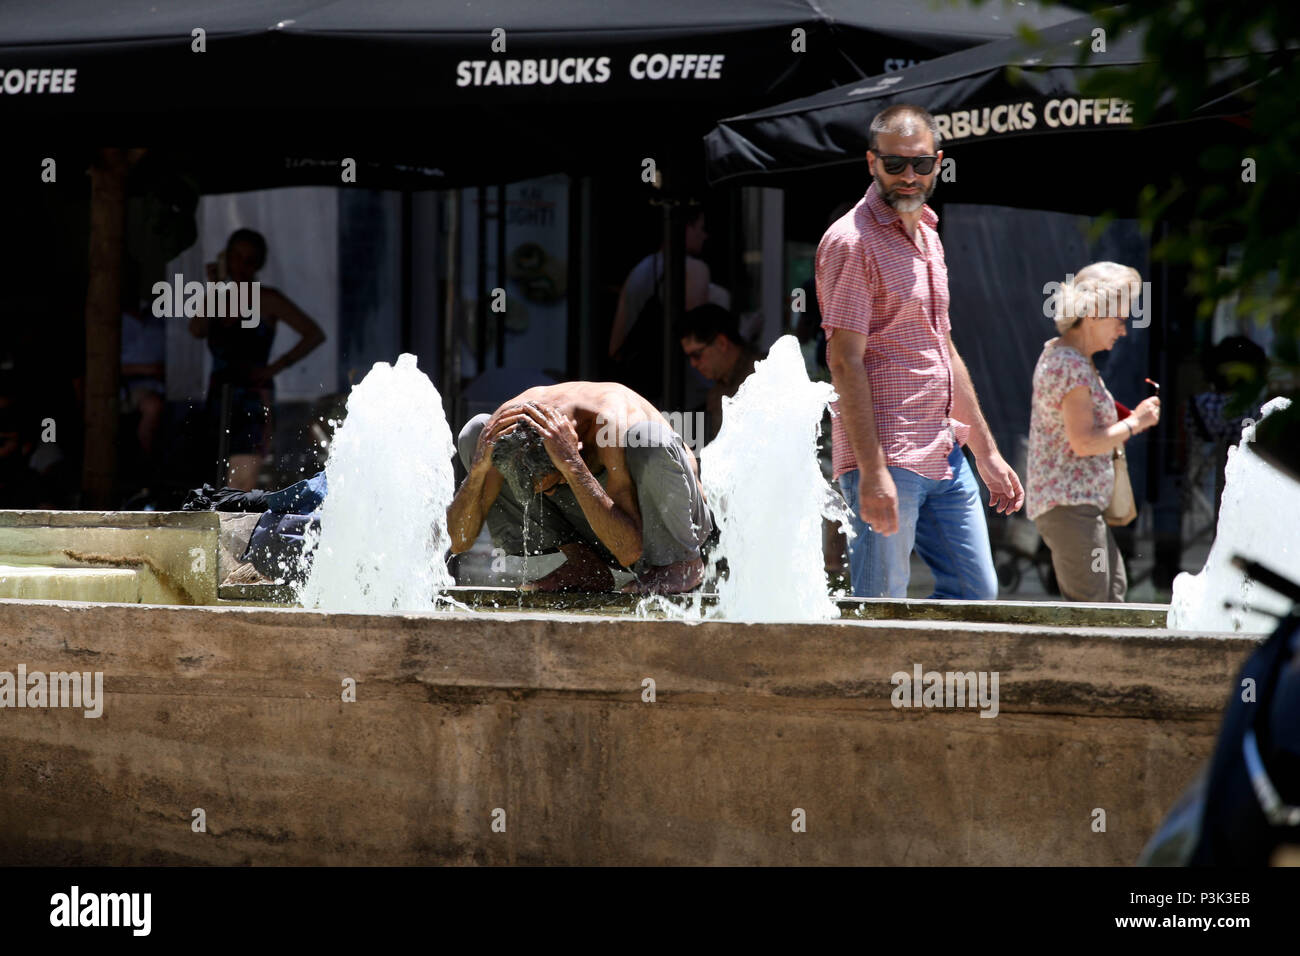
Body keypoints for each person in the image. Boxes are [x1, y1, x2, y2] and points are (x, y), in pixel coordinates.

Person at [816, 103, 1023, 600]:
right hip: (888, 456)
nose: (909, 176)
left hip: (945, 451)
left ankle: (927, 679)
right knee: (881, 607)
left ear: (938, 162)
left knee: (975, 597)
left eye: (921, 164)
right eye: (894, 164)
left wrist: (987, 452)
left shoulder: (929, 235)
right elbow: (844, 360)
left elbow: (942, 347)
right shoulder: (852, 242)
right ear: (871, 163)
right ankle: (874, 681)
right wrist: (871, 472)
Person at [448, 382, 712, 594]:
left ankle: (682, 563)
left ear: (576, 445)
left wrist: (572, 467)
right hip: (601, 528)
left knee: (648, 439)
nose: (548, 497)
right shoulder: (504, 427)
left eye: (553, 486)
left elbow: (629, 550)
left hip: (669, 524)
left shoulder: (610, 421)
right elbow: (459, 542)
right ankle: (584, 563)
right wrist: (477, 473)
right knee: (474, 433)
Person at [1027, 262, 1161, 602]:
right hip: (1070, 508)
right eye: (1120, 319)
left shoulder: (1071, 359)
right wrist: (1136, 423)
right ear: (1095, 313)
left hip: (1079, 508)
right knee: (1094, 609)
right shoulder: (1069, 364)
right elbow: (1084, 442)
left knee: (1110, 598)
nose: (1124, 330)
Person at [188, 228, 326, 491]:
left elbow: (314, 333)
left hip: (251, 397)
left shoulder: (267, 299)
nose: (242, 265)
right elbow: (196, 329)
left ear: (258, 263)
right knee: (210, 480)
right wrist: (214, 286)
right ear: (226, 258)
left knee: (240, 483)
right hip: (218, 396)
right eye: (237, 257)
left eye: (250, 259)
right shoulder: (219, 296)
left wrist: (275, 367)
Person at [608, 208, 711, 406]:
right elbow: (700, 340)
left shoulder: (636, 272)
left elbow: (615, 347)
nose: (704, 236)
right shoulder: (696, 269)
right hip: (684, 399)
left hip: (639, 397)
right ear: (685, 228)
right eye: (701, 228)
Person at [676, 303, 760, 444]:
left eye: (696, 354)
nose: (693, 363)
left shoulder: (765, 372)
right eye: (688, 357)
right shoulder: (716, 393)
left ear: (722, 343)